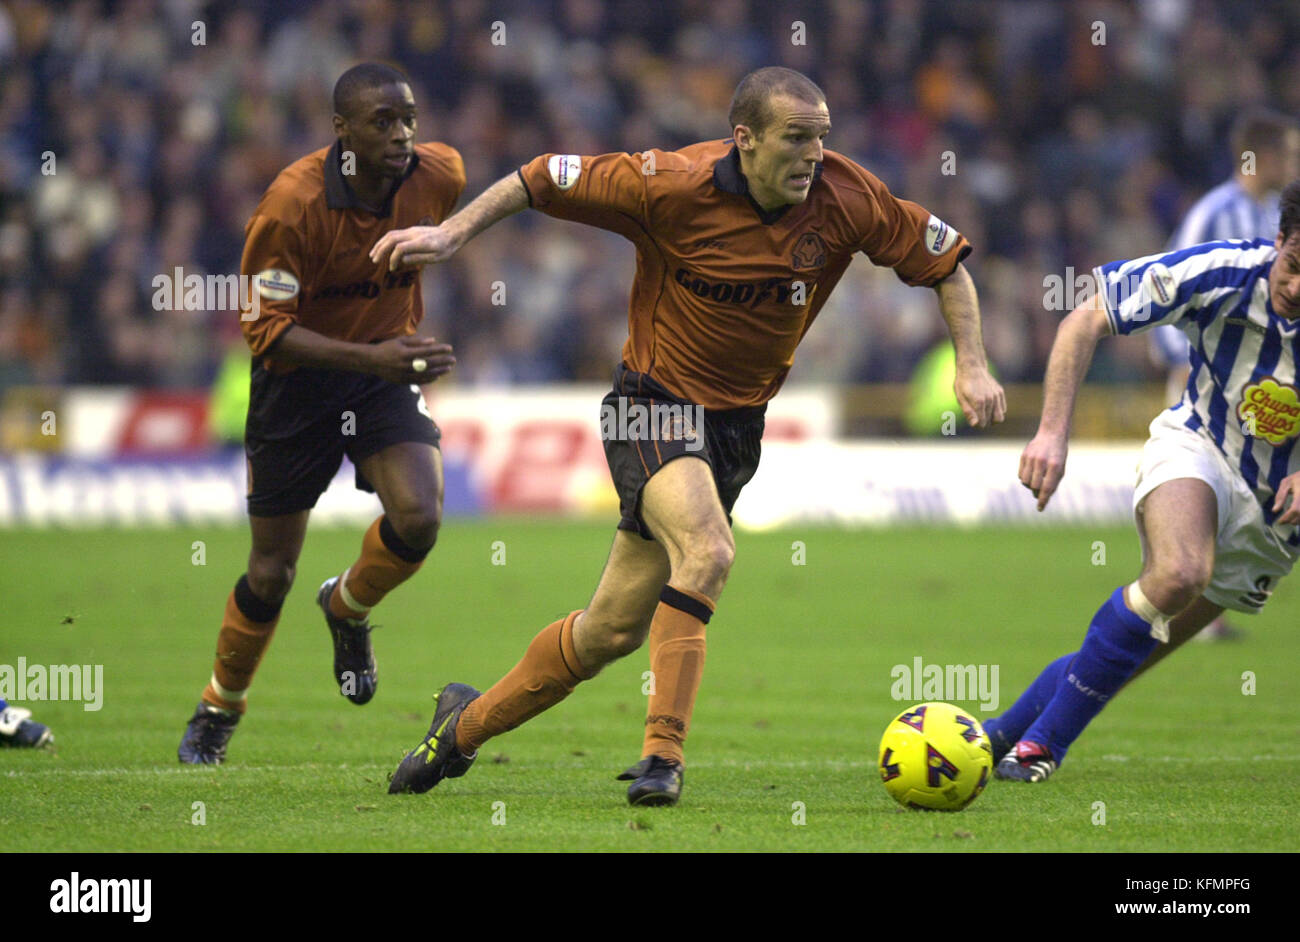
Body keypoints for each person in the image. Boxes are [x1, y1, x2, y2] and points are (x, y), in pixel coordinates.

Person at [370, 66, 1006, 805]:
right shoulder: (666, 184)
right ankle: (662, 759)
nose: (814, 155)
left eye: (822, 138)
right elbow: (543, 175)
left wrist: (973, 364)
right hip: (651, 403)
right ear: (745, 139)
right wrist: (450, 234)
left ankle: (459, 729)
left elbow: (947, 263)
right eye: (797, 138)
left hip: (735, 428)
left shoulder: (848, 196)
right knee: (708, 552)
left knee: (608, 632)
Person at [177, 63, 463, 764]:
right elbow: (265, 330)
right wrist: (377, 359)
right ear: (342, 130)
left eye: (408, 119)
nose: (401, 135)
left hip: (380, 379)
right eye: (382, 122)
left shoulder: (440, 174)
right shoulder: (289, 208)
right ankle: (220, 705)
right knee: (272, 571)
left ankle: (346, 607)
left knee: (420, 518)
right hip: (298, 387)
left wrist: (390, 356)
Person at [992, 180, 1300, 782]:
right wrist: (1053, 432)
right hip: (1200, 448)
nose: (1297, 288)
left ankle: (997, 736)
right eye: (1294, 266)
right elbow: (1087, 318)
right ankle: (1042, 749)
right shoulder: (1221, 271)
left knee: (1123, 658)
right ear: (1280, 241)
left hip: (1275, 518)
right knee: (1180, 572)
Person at [1149, 108, 1300, 641]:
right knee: (1196, 486)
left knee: (1240, 487)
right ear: (1267, 155)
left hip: (1253, 386)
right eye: (1290, 151)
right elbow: (1170, 287)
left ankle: (1200, 600)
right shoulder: (1215, 213)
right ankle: (1176, 595)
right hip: (1205, 376)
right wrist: (1178, 358)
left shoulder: (1266, 216)